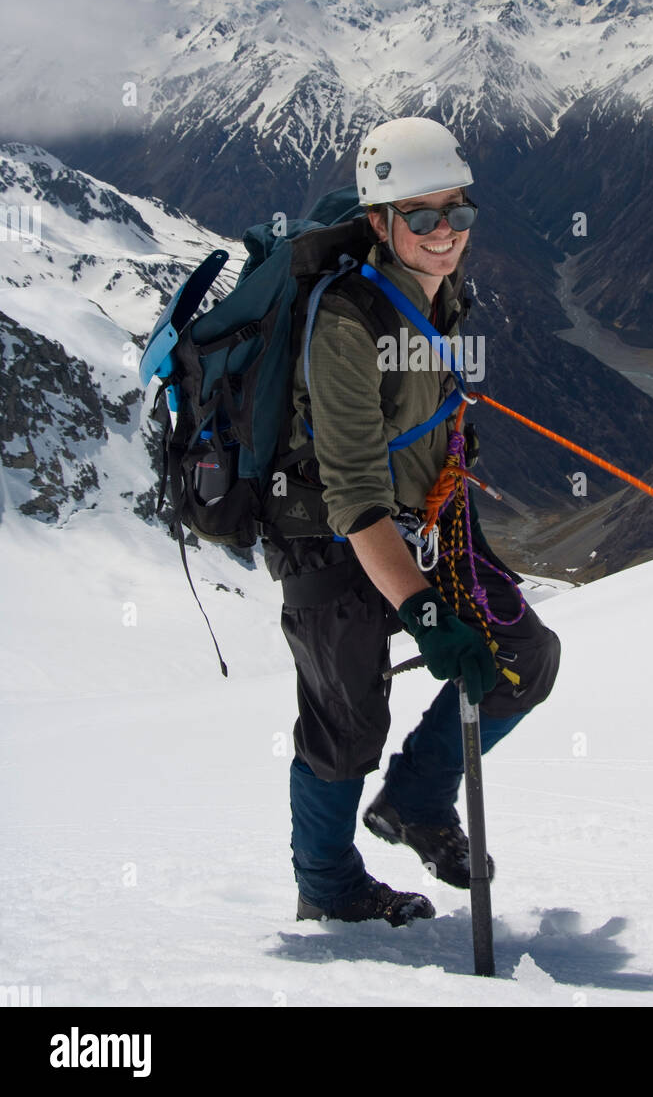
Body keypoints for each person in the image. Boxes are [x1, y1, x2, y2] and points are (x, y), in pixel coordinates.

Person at [262, 116, 561, 927]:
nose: (443, 233)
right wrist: (425, 613)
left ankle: (416, 803)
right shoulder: (345, 324)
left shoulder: (439, 290)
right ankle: (326, 886)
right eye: (420, 215)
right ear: (379, 220)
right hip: (326, 537)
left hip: (428, 518)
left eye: (456, 212)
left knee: (522, 659)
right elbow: (353, 493)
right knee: (346, 724)